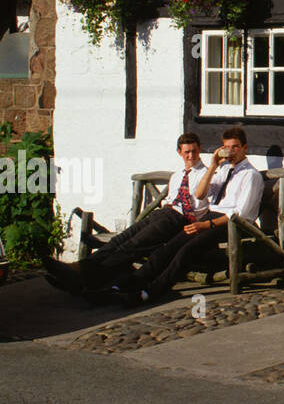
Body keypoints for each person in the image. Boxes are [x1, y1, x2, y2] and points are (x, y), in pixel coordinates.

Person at [95, 127, 264, 308]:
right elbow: (200, 195)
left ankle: (148, 293)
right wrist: (214, 165)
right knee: (167, 249)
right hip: (210, 219)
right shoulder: (222, 171)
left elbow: (240, 215)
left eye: (235, 147)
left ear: (245, 147)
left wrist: (206, 225)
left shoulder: (251, 176)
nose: (230, 152)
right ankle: (123, 285)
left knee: (186, 251)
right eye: (226, 147)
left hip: (230, 224)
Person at [44, 133, 209, 295]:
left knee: (132, 246)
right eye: (187, 152)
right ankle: (79, 268)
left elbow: (203, 203)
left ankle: (85, 278)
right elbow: (172, 199)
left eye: (194, 151)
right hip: (164, 213)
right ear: (180, 152)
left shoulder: (206, 174)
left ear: (200, 149)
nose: (191, 155)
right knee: (120, 240)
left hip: (180, 219)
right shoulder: (178, 175)